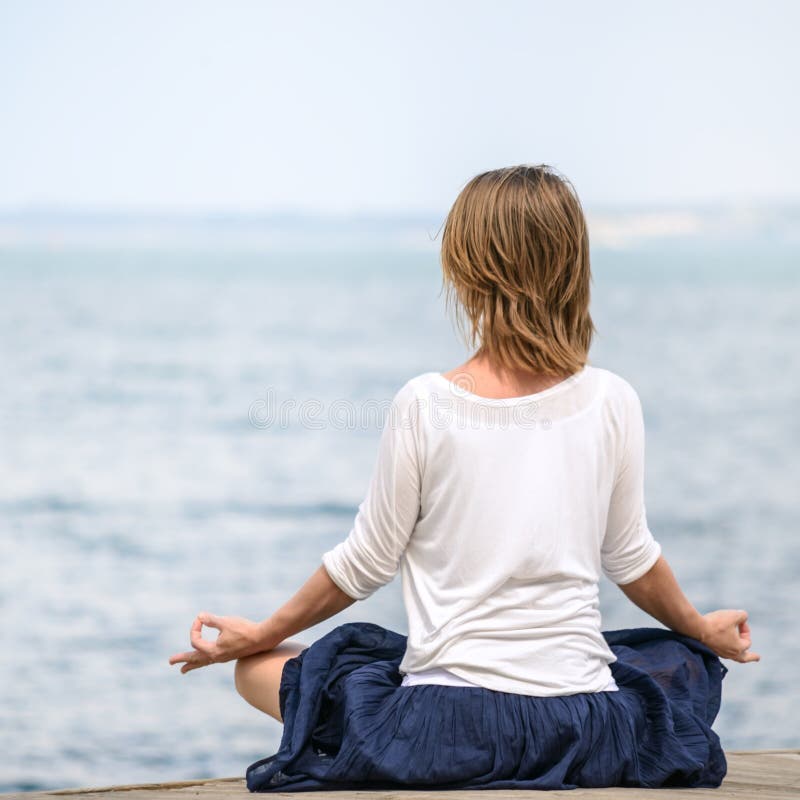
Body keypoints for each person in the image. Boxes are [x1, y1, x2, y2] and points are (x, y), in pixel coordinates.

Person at [168, 164, 760, 792]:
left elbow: (365, 564)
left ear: (466, 271)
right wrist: (699, 629)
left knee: (259, 669)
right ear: (572, 268)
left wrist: (261, 632)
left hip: (446, 729)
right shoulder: (613, 399)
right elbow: (630, 556)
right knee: (675, 661)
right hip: (584, 724)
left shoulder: (425, 403)